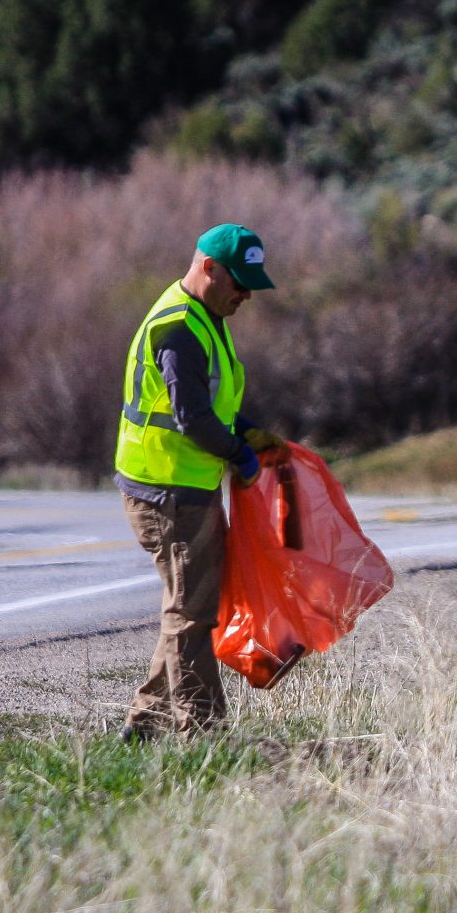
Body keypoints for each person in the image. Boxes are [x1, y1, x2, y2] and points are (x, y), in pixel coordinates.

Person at [113, 223, 285, 739]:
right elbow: (191, 417)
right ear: (209, 268)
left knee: (187, 609)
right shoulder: (179, 330)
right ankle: (203, 734)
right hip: (166, 492)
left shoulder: (207, 317)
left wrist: (247, 433)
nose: (247, 294)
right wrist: (237, 451)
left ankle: (145, 726)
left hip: (184, 486)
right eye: (240, 281)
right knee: (191, 616)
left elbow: (211, 405)